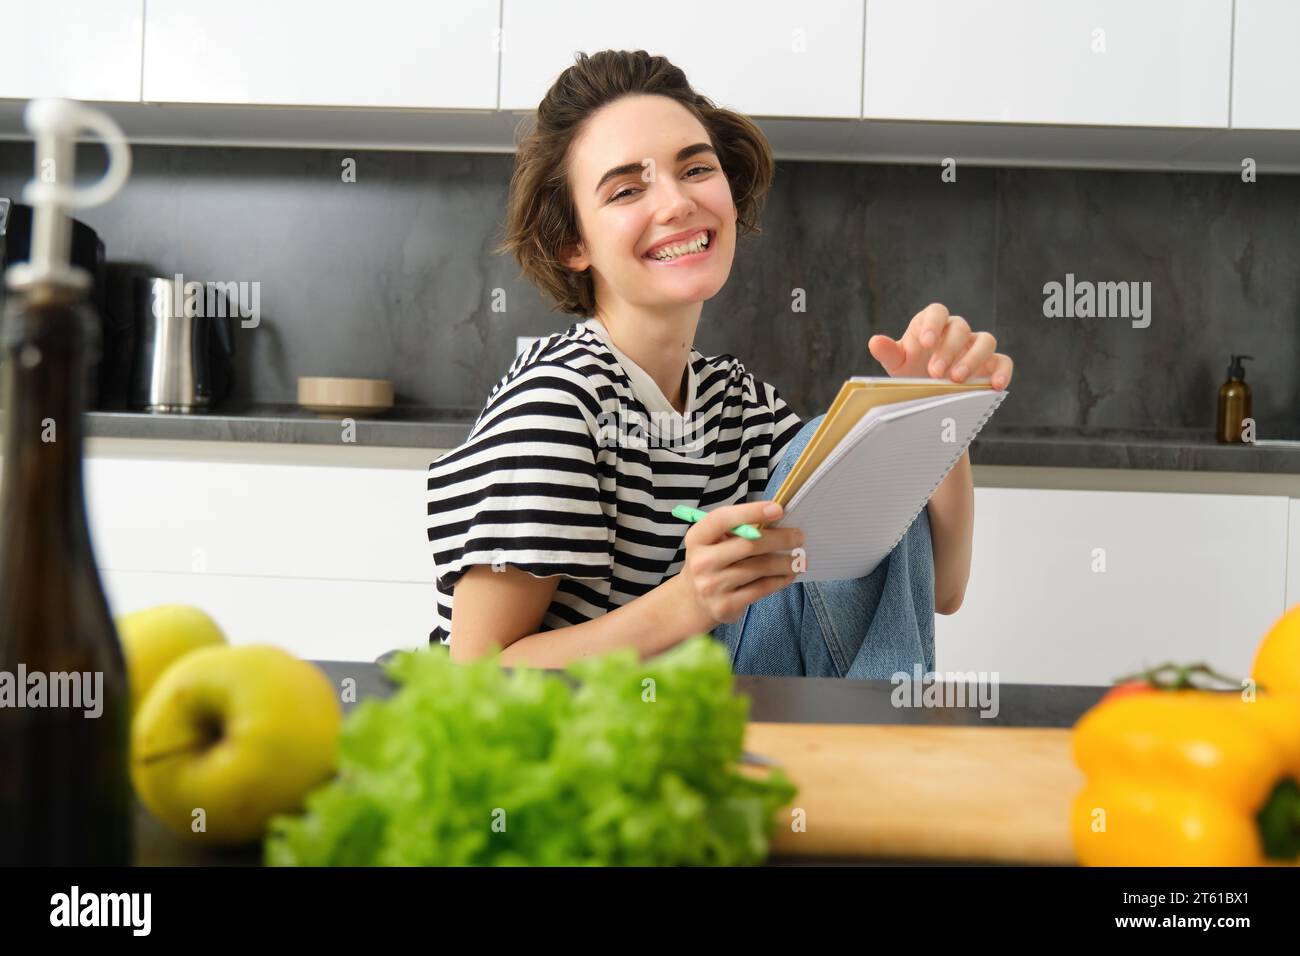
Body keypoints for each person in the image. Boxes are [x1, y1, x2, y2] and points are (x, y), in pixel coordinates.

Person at [426, 50, 1013, 676]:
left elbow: (937, 590)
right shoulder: (555, 406)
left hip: (699, 718)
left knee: (849, 451)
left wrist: (933, 410)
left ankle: (867, 748)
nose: (676, 203)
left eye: (696, 169)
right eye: (627, 188)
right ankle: (875, 753)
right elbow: (476, 676)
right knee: (828, 448)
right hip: (569, 742)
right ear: (574, 242)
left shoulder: (738, 403)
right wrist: (690, 602)